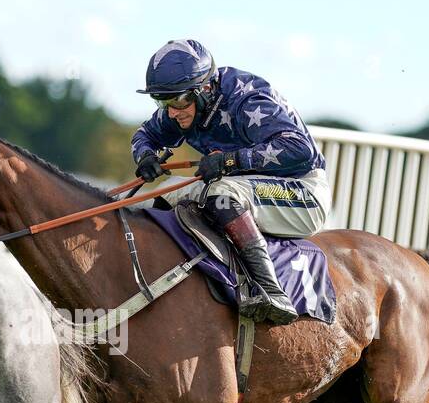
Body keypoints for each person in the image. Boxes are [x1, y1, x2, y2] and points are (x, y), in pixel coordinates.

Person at [130, 39, 331, 324]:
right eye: (163, 101)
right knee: (166, 191)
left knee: (222, 192)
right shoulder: (184, 106)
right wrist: (146, 156)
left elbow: (300, 149)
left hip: (303, 194)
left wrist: (231, 161)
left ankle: (271, 291)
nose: (172, 111)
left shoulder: (246, 100)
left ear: (205, 88)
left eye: (178, 100)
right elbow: (144, 135)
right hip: (247, 190)